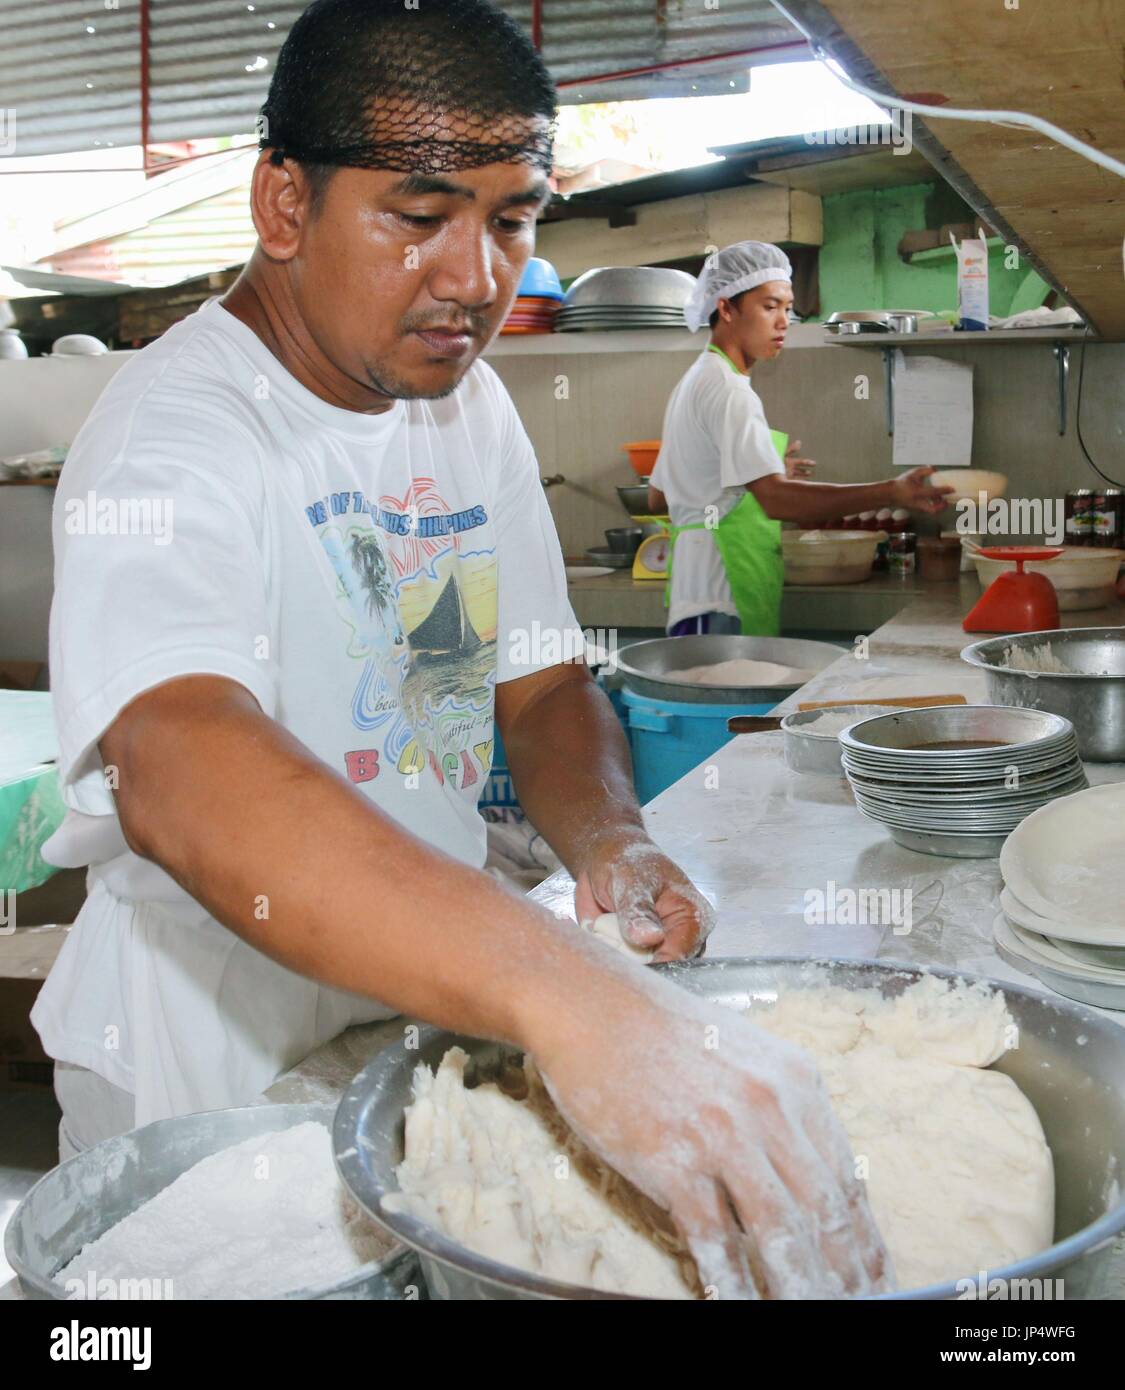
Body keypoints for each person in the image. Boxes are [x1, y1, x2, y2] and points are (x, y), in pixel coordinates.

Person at [33, 0, 888, 1298]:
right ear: (283, 206)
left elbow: (541, 682)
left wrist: (609, 839)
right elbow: (178, 761)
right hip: (210, 1068)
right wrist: (571, 994)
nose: (476, 277)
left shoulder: (463, 402)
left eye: (510, 217)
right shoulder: (177, 436)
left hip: (415, 1015)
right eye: (419, 216)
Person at [648, 241, 953, 636]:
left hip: (693, 590)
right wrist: (891, 492)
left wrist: (742, 478)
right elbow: (778, 501)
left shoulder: (694, 381)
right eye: (769, 306)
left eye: (788, 309)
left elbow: (659, 496)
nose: (783, 322)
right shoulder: (729, 390)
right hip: (724, 589)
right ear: (725, 308)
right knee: (727, 693)